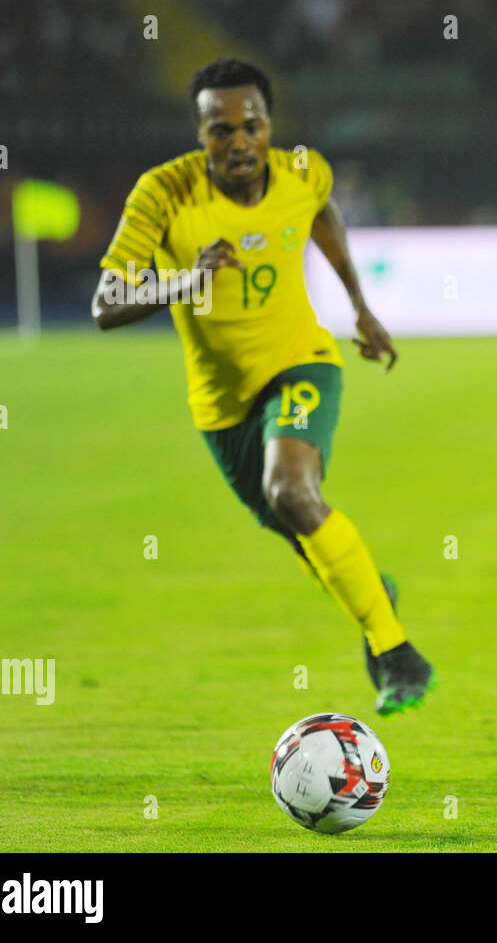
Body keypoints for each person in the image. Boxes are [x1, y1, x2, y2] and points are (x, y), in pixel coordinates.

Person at [91, 57, 433, 717]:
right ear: (200, 135)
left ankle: (396, 652)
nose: (239, 140)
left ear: (270, 125)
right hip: (221, 404)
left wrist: (359, 303)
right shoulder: (163, 194)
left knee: (291, 490)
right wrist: (184, 282)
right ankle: (375, 595)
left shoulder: (303, 170)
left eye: (252, 125)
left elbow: (322, 212)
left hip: (300, 360)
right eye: (221, 129)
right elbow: (106, 302)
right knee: (298, 525)